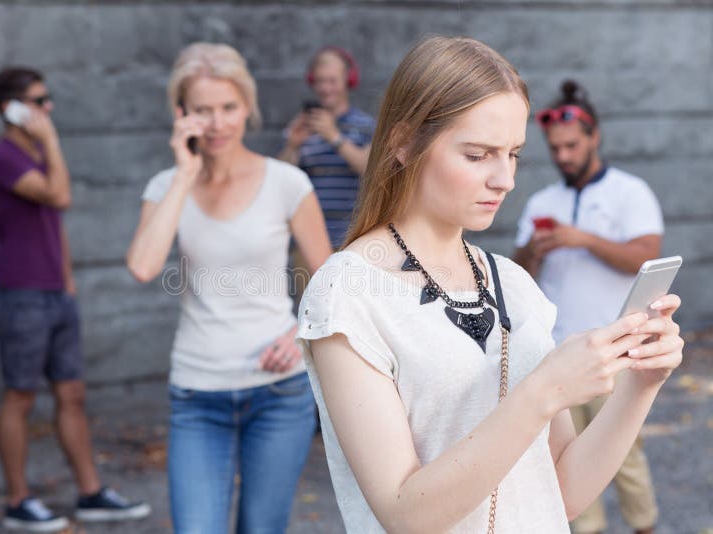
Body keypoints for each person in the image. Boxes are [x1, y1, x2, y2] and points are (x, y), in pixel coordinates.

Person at [296, 36, 683, 533]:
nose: (505, 180)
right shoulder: (347, 292)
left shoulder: (514, 284)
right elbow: (405, 513)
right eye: (478, 155)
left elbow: (560, 493)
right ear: (403, 142)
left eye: (514, 154)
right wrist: (545, 389)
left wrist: (641, 385)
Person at [126, 43, 331, 533]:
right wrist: (184, 175)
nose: (217, 123)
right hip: (198, 394)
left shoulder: (287, 182)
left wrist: (299, 334)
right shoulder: (165, 186)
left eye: (228, 108)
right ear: (182, 115)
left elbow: (331, 284)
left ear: (247, 108)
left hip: (279, 393)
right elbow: (142, 266)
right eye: (202, 110)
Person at [0, 67, 150, 532]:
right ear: (10, 108)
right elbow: (60, 197)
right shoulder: (4, 158)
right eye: (39, 100)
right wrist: (51, 140)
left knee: (72, 394)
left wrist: (67, 278)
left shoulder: (33, 153)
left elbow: (53, 223)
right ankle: (18, 501)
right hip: (20, 295)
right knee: (19, 396)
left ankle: (91, 492)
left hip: (56, 294)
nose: (47, 108)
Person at [512, 80, 664, 534]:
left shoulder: (630, 192)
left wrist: (582, 239)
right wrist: (535, 250)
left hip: (617, 349)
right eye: (555, 148)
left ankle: (645, 526)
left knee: (625, 455)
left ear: (594, 136)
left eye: (572, 145)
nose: (563, 156)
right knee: (566, 460)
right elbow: (519, 275)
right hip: (556, 353)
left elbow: (647, 256)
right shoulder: (542, 201)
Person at [278, 46, 376, 249]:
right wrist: (292, 145)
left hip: (354, 238)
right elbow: (280, 180)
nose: (325, 88)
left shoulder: (366, 125)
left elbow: (372, 170)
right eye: (320, 81)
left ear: (348, 81)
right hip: (308, 239)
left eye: (332, 81)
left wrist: (333, 137)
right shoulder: (301, 126)